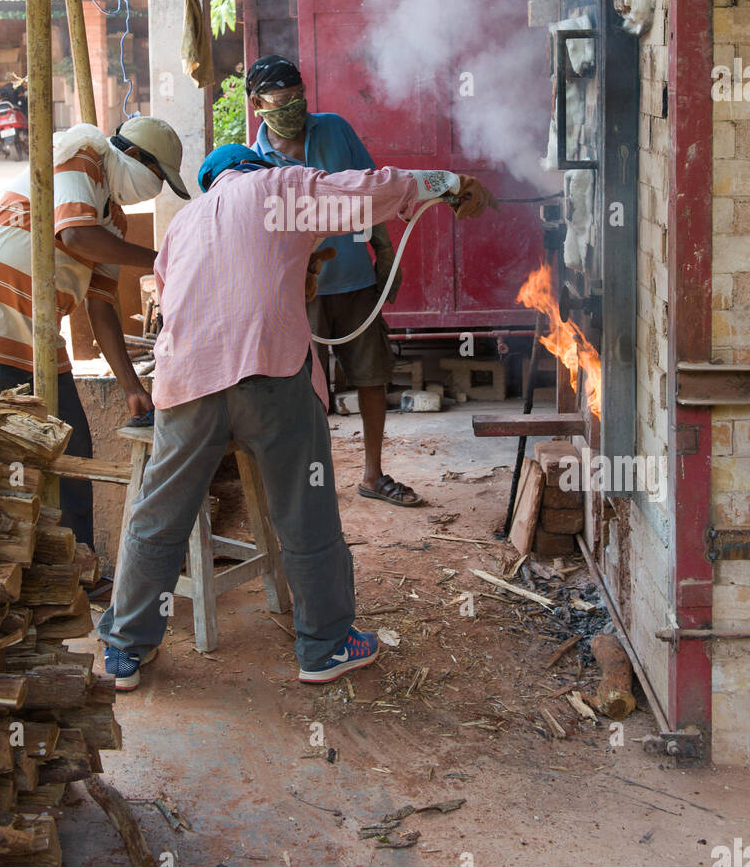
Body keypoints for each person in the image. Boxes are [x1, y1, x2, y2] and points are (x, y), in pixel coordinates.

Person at [98, 144, 495, 691]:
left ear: (213, 181)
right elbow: (364, 191)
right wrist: (444, 181)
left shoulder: (183, 223)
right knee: (303, 510)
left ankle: (124, 648)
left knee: (159, 513)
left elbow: (175, 303)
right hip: (270, 375)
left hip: (187, 383)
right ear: (254, 170)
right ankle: (326, 646)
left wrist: (292, 271)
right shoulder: (279, 187)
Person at [0, 117, 189, 552]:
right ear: (131, 157)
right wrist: (163, 259)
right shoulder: (83, 152)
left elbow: (101, 307)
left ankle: (75, 571)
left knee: (71, 449)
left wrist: (131, 387)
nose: (156, 190)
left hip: (38, 334)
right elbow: (74, 234)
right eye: (157, 179)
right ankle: (5, 574)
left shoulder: (114, 223)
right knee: (2, 463)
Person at [247, 54, 419, 508]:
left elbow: (372, 192)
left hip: (355, 278)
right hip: (300, 292)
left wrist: (384, 253)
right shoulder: (253, 163)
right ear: (257, 104)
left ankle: (373, 474)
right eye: (281, 100)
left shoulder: (335, 129)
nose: (293, 107)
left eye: (298, 97)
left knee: (371, 377)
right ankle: (312, 482)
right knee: (304, 390)